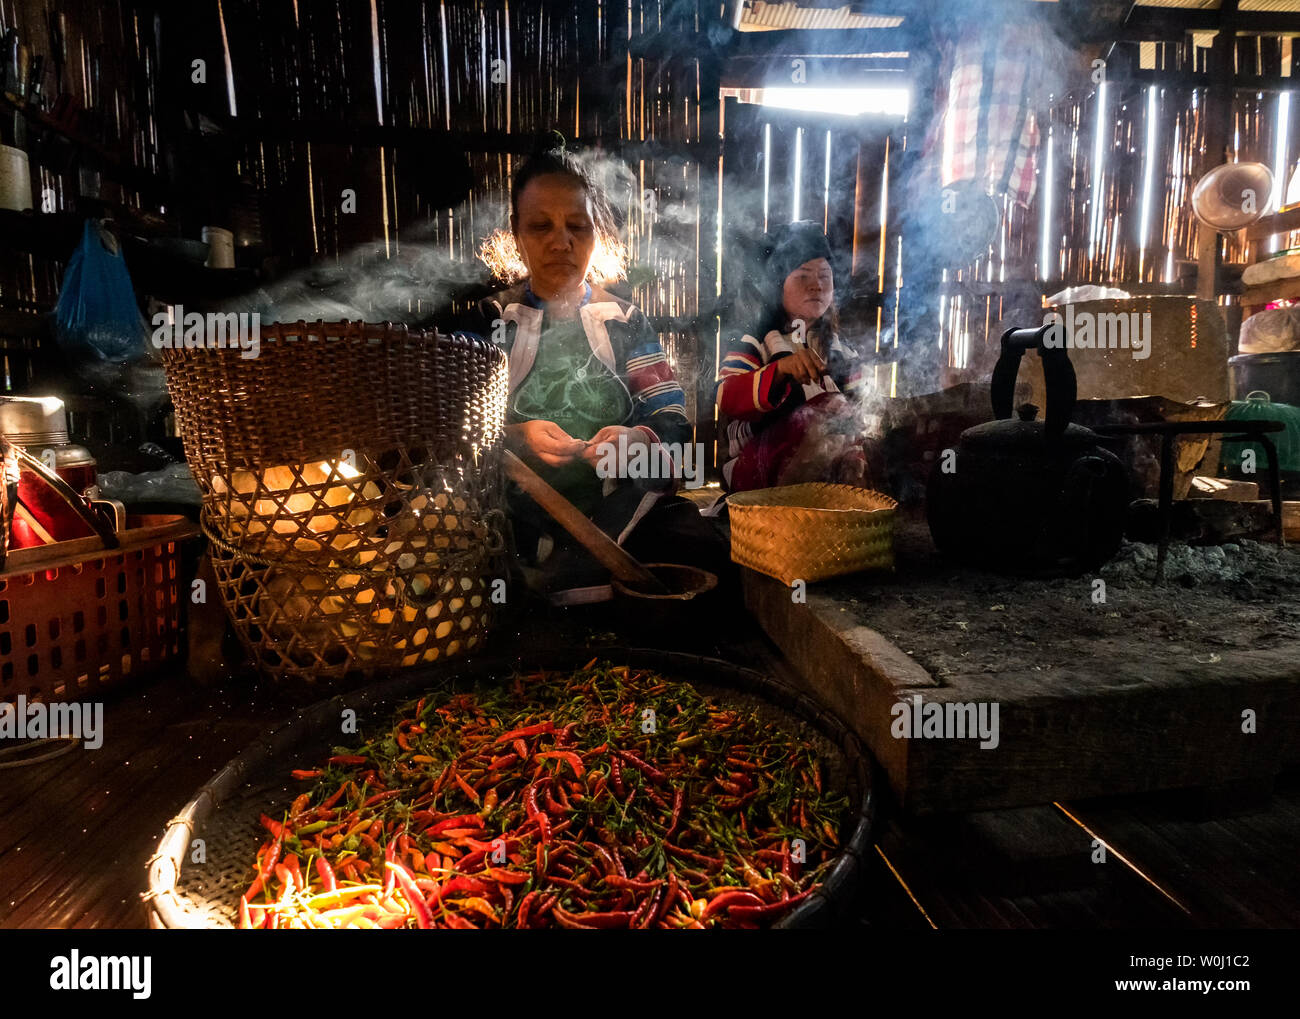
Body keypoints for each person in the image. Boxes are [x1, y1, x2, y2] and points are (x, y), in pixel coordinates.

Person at [456, 133, 726, 599]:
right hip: (514, 510)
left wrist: (636, 440)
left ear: (596, 233)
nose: (561, 241)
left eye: (576, 225)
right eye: (541, 226)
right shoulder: (491, 321)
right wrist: (516, 436)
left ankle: (565, 574)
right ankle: (572, 574)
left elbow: (672, 423)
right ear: (516, 237)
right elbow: (454, 426)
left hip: (615, 508)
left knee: (704, 546)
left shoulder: (625, 323)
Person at [716, 221, 874, 492]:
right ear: (778, 287)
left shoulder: (843, 353)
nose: (816, 286)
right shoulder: (757, 344)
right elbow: (725, 395)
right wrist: (779, 371)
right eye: (803, 276)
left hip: (828, 470)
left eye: (825, 276)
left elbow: (861, 412)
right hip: (756, 476)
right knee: (823, 412)